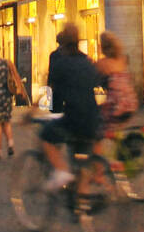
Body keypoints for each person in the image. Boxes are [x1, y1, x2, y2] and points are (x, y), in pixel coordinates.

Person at [41, 23, 103, 193]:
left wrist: (37, 107)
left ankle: (61, 171)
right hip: (93, 119)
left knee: (45, 136)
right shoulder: (87, 61)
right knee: (81, 164)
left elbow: (52, 86)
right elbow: (97, 82)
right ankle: (82, 209)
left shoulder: (60, 62)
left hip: (74, 117)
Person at [96, 32, 138, 127]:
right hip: (130, 103)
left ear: (103, 47)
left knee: (95, 126)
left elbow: (91, 80)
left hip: (115, 106)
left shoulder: (102, 64)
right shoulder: (122, 60)